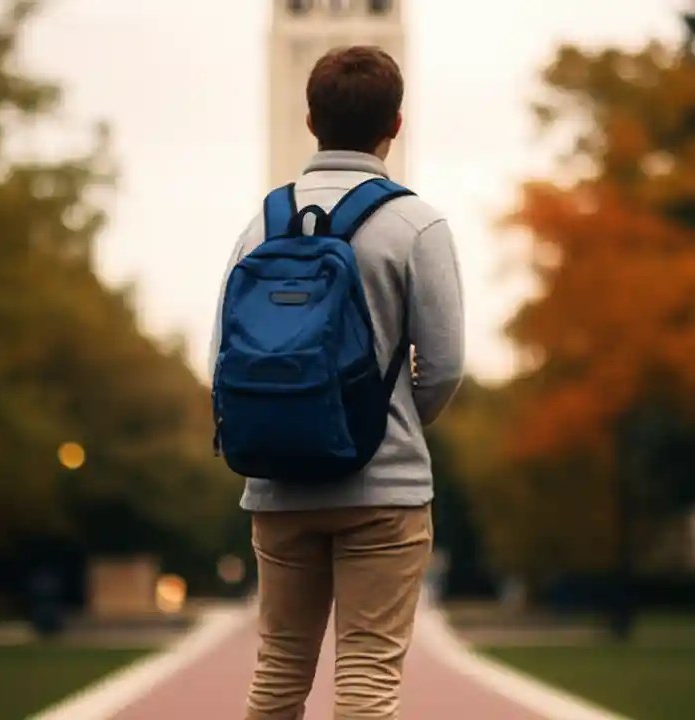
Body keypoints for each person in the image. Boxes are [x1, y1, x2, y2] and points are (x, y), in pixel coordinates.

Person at [208, 45, 464, 720]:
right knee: (367, 680)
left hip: (277, 486)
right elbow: (442, 365)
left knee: (278, 673)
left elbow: (222, 364)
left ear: (310, 118)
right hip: (384, 488)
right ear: (396, 124)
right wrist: (394, 422)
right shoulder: (416, 224)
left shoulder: (260, 224)